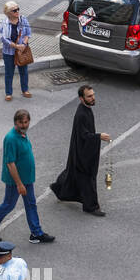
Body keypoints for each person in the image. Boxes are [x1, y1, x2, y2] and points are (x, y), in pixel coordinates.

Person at [0, 110, 54, 245]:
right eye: (21, 122)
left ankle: (36, 233)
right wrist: (19, 184)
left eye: (26, 122)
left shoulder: (22, 134)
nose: (24, 125)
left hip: (27, 179)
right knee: (9, 204)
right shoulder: (11, 138)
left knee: (30, 204)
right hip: (16, 180)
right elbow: (10, 163)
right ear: (15, 122)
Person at [49, 84, 112, 216]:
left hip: (81, 150)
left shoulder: (86, 109)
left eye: (93, 95)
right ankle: (91, 206)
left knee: (73, 172)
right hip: (83, 153)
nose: (93, 98)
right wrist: (99, 136)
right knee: (88, 178)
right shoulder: (81, 114)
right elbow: (84, 135)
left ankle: (59, 188)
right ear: (81, 98)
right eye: (89, 96)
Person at [0, 1, 32, 101]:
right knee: (9, 73)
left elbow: (28, 33)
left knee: (24, 71)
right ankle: (8, 93)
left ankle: (25, 90)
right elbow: (4, 39)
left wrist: (24, 44)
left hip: (22, 50)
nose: (17, 11)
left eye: (18, 9)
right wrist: (17, 46)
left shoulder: (23, 19)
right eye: (14, 10)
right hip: (9, 52)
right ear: (8, 13)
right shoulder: (4, 22)